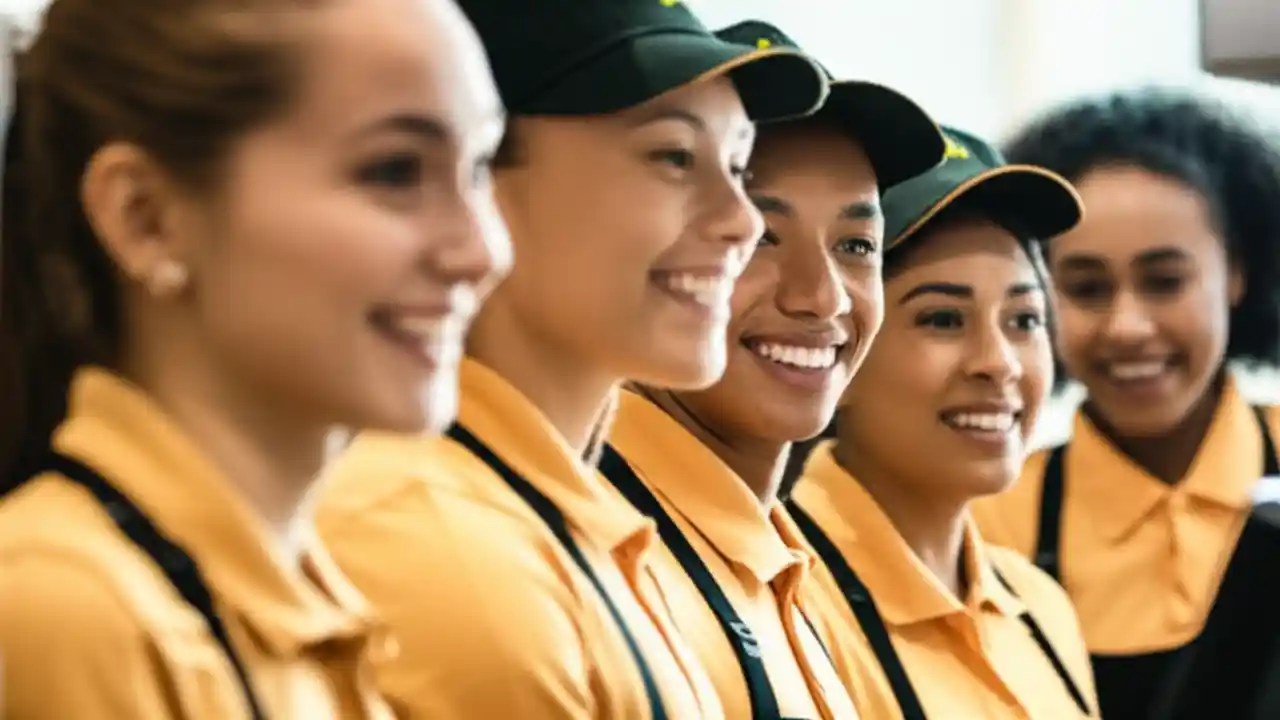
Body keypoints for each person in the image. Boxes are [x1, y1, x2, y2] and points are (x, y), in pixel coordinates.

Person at [312, 2, 830, 718]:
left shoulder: (580, 525)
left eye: (738, 165)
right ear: (477, 177)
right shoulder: (446, 551)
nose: (741, 220)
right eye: (674, 157)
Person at [0, 0, 510, 716]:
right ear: (145, 216)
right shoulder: (67, 610)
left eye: (480, 165)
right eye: (395, 170)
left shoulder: (297, 596)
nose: (483, 251)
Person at [596, 19, 944, 720]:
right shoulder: (606, 552)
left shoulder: (787, 562)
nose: (820, 298)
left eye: (855, 244)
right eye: (759, 236)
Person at [971, 88, 1280, 719]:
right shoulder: (989, 524)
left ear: (1238, 273)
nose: (1128, 326)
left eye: (1165, 281)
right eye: (1086, 287)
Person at [787, 126, 1098, 718]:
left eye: (1025, 320)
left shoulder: (1038, 607)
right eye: (943, 320)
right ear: (839, 342)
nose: (998, 363)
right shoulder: (784, 600)